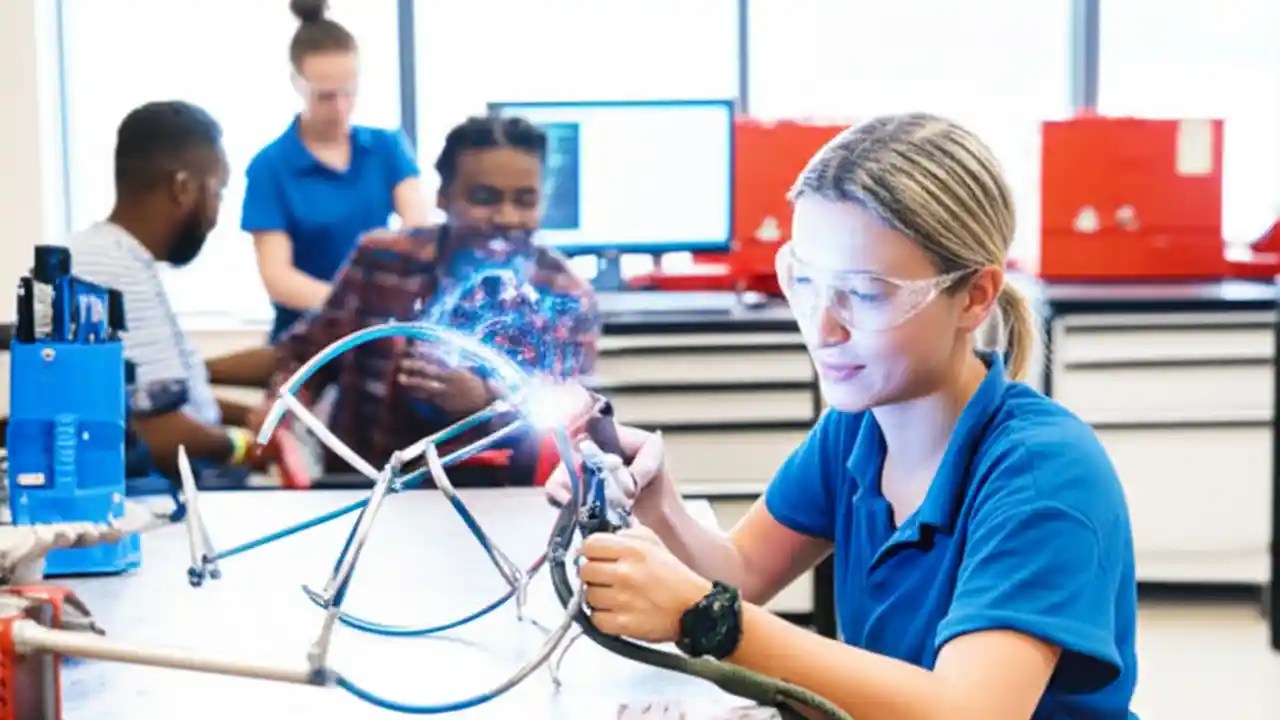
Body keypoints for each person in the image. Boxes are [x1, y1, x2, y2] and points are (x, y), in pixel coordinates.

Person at [551, 113, 1139, 719]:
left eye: (865, 293)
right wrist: (657, 501)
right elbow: (744, 572)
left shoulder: (1043, 473)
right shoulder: (860, 428)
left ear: (975, 296)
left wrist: (708, 619)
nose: (823, 328)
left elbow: (969, 712)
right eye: (806, 282)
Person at [262, 114, 599, 486]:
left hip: (503, 501)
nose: (506, 217)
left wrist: (486, 401)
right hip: (365, 489)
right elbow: (307, 355)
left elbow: (574, 420)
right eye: (484, 198)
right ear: (444, 196)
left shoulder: (567, 296)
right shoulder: (382, 259)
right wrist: (282, 417)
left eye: (524, 200)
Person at [68, 101, 275, 482]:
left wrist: (251, 419)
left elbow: (170, 397)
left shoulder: (122, 257)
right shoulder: (108, 269)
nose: (216, 212)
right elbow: (156, 433)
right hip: (162, 494)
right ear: (182, 187)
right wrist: (243, 444)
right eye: (218, 190)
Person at [242, 0, 429, 342]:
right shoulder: (270, 167)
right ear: (297, 84)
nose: (341, 108)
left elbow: (419, 233)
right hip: (307, 336)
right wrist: (355, 309)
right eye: (325, 96)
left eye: (349, 92)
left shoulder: (387, 147)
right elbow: (278, 277)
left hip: (377, 328)